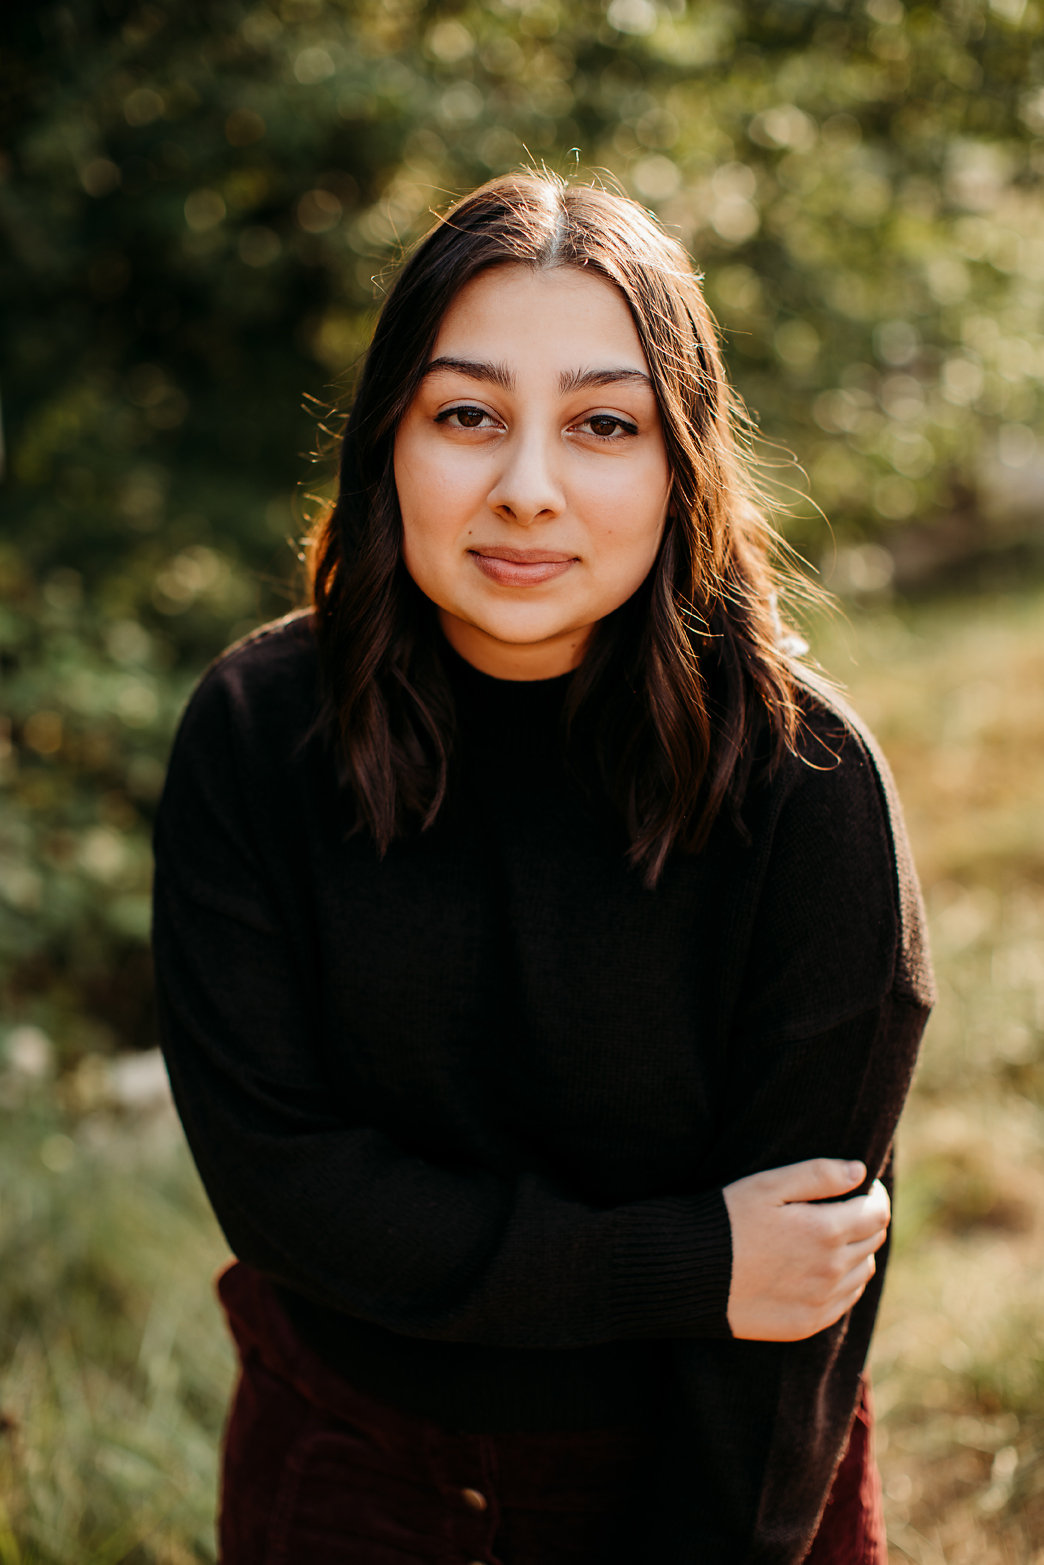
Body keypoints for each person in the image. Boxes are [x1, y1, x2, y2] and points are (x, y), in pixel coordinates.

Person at [152, 172, 934, 1565]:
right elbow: (284, 1191)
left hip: (710, 1472)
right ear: (392, 433)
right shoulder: (257, 733)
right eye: (468, 415)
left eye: (602, 424)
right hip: (349, 1457)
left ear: (682, 459)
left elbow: (801, 1293)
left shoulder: (808, 789)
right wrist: (687, 1259)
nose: (526, 489)